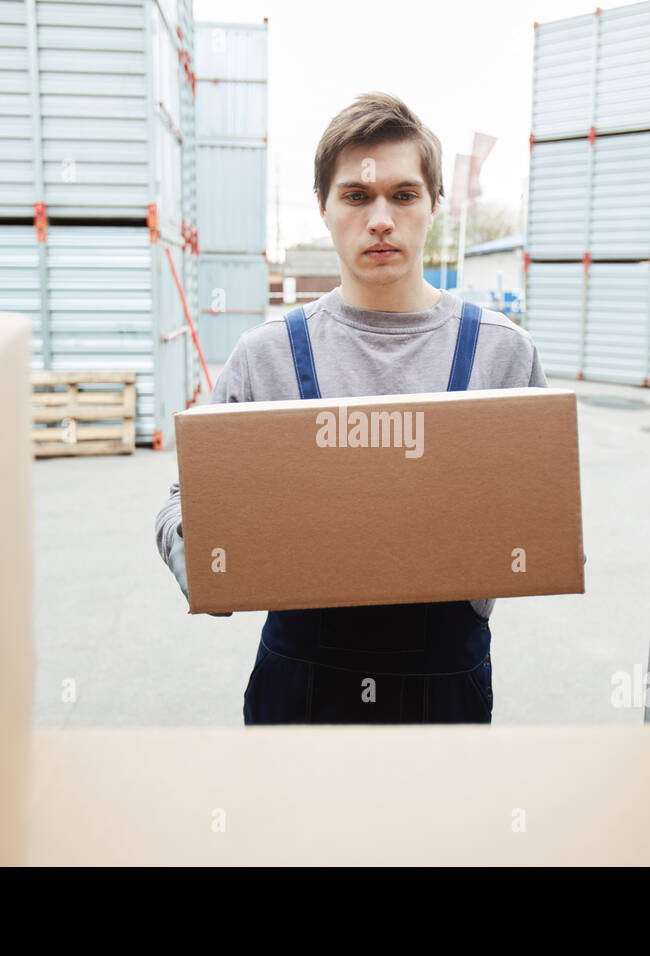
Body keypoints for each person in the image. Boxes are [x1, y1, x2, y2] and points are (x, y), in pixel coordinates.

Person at [155, 91, 549, 725]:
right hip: (300, 684)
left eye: (403, 194)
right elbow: (184, 502)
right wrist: (203, 556)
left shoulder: (503, 356)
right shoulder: (266, 357)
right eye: (357, 196)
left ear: (434, 205)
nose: (381, 219)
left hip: (444, 682)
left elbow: (539, 513)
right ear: (324, 208)